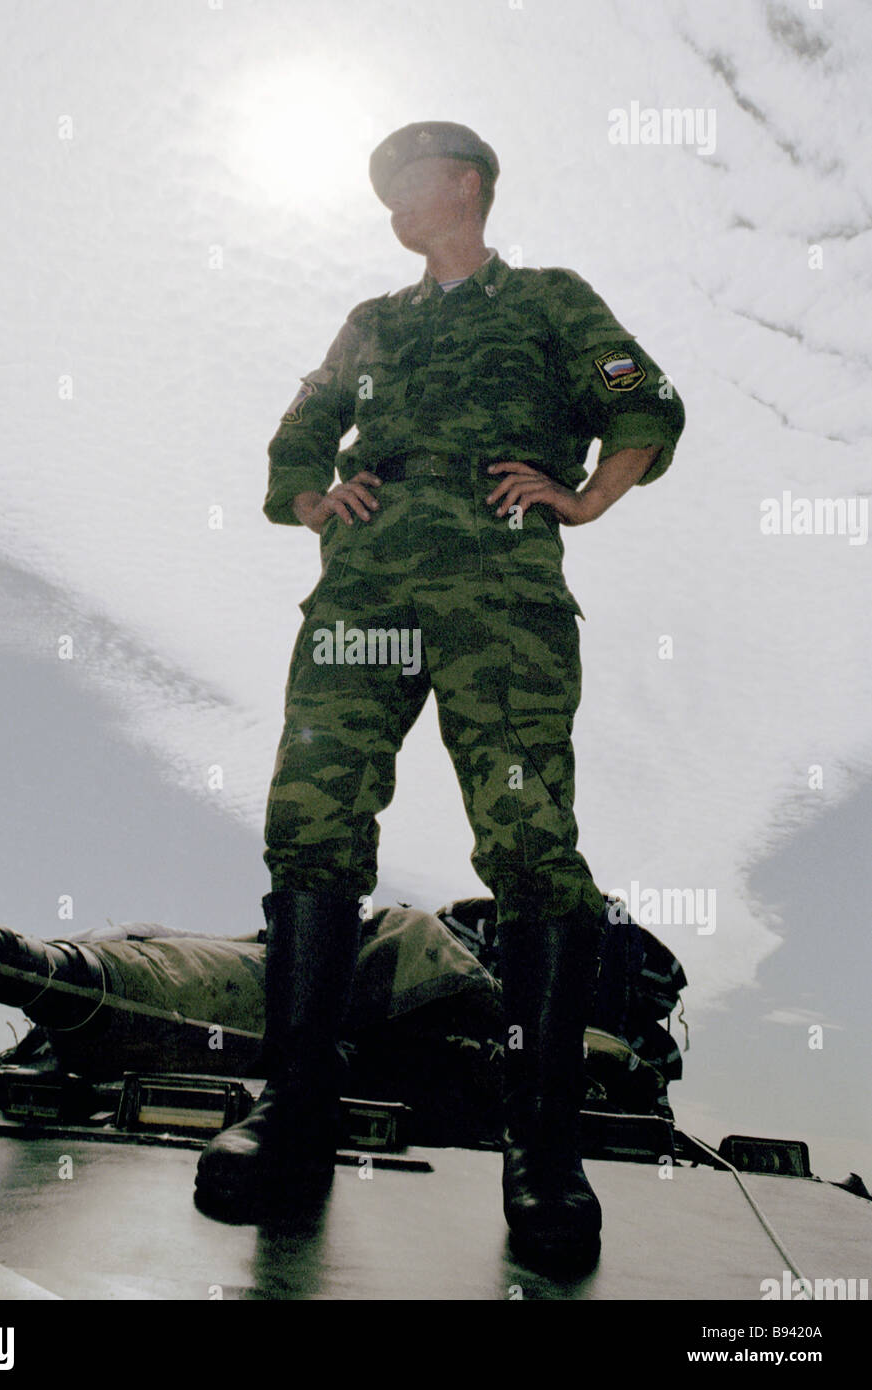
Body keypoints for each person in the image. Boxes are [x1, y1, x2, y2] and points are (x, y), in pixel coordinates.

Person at [194, 121, 685, 1269]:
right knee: (310, 821)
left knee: (527, 840)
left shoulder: (552, 300)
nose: (388, 204)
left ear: (461, 185)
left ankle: (543, 1148)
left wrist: (586, 497)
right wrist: (315, 502)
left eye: (403, 183)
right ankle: (295, 1112)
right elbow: (298, 436)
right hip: (365, 586)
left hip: (497, 584)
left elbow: (646, 402)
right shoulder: (372, 321)